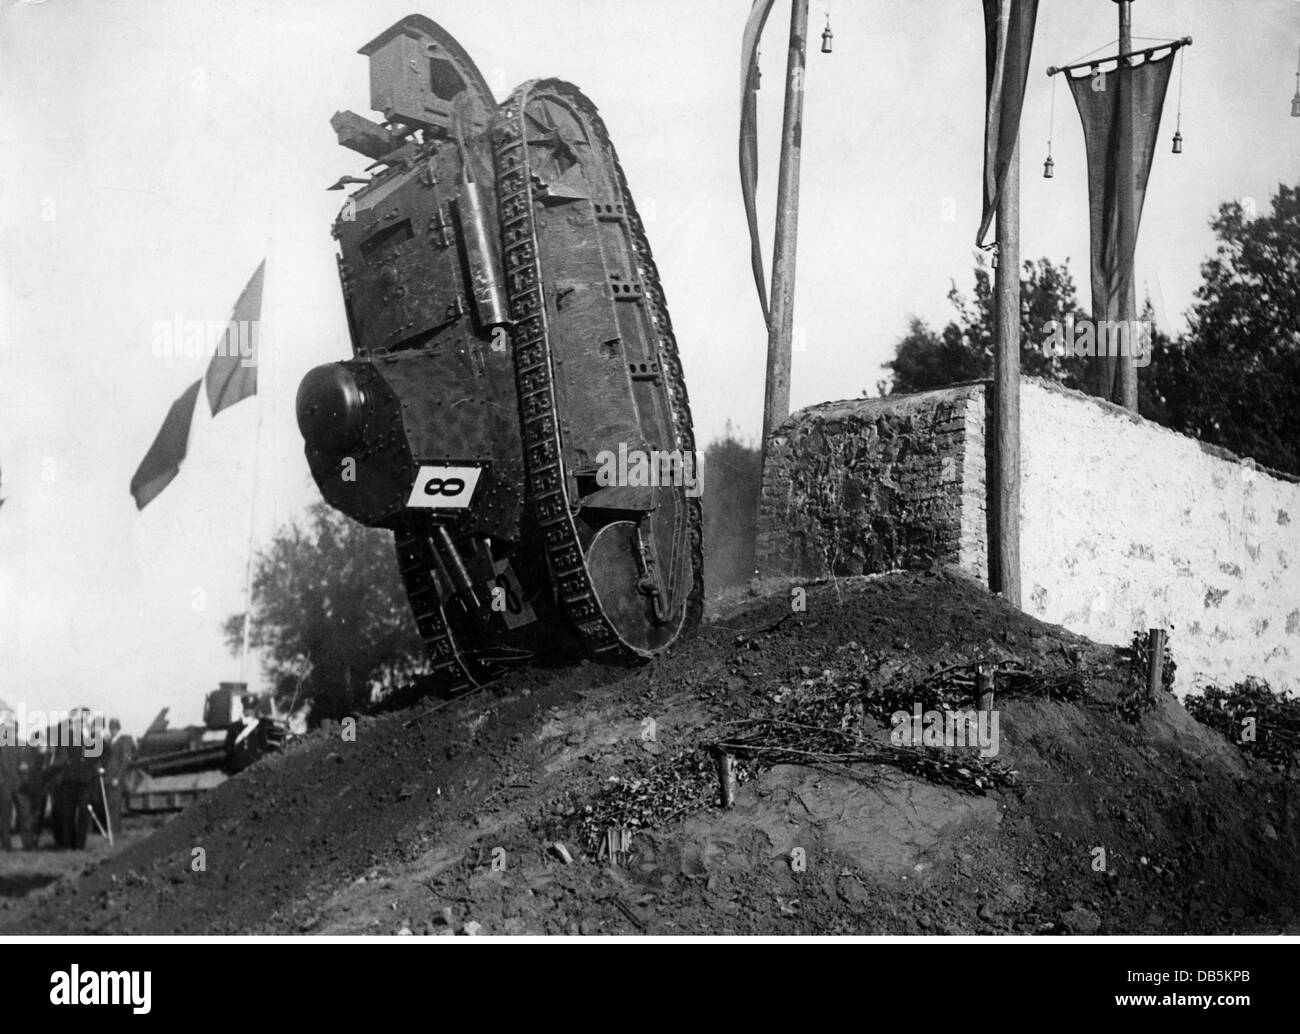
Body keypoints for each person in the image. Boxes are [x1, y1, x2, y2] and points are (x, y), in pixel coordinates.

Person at [101, 718, 135, 838]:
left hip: (116, 777)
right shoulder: (110, 741)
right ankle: (110, 829)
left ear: (118, 729)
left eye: (115, 728)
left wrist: (118, 777)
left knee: (115, 804)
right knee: (109, 804)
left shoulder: (122, 741)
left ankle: (116, 830)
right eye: (111, 728)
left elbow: (125, 761)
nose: (113, 730)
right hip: (107, 776)